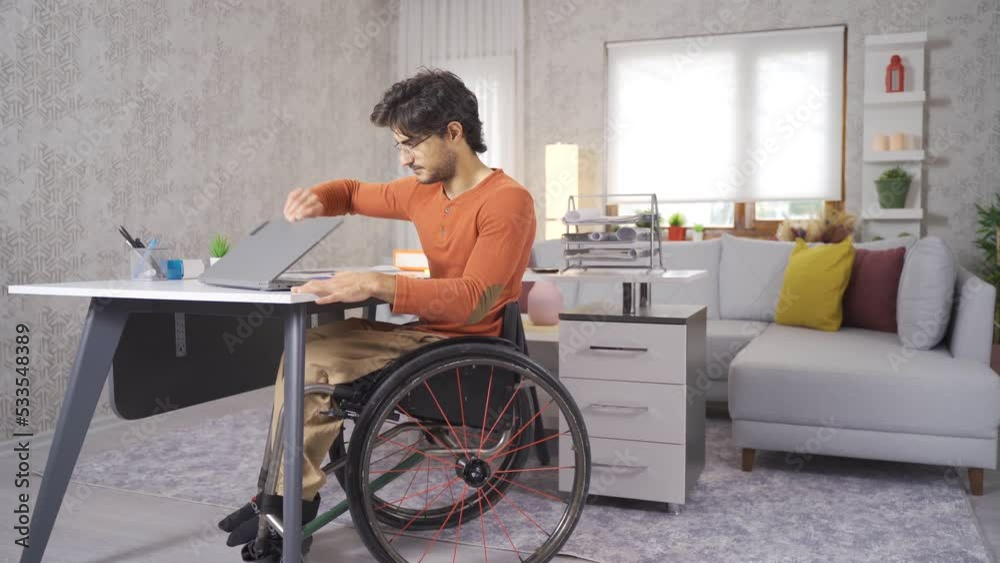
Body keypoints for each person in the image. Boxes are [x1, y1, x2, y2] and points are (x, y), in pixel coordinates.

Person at [218, 68, 536, 562]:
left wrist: (377, 284)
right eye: (398, 146)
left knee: (316, 362)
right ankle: (280, 495)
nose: (404, 158)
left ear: (454, 132)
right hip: (429, 334)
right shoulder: (424, 192)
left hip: (469, 346)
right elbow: (349, 192)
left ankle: (287, 502)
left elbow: (476, 298)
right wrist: (317, 198)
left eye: (412, 143)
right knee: (308, 346)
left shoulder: (507, 201)